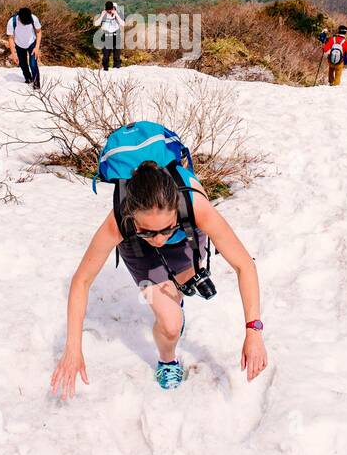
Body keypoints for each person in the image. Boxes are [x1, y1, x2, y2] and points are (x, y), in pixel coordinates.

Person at [50, 151, 266, 397]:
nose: (159, 240)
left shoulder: (196, 209)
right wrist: (73, 348)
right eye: (149, 231)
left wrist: (253, 331)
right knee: (171, 324)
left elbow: (244, 265)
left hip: (186, 235)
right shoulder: (120, 221)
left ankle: (175, 291)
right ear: (132, 216)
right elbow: (82, 280)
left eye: (165, 229)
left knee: (180, 289)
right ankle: (167, 361)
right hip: (137, 248)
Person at [6, 6, 42, 89]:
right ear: (19, 18)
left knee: (33, 64)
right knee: (23, 64)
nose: (26, 23)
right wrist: (13, 54)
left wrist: (37, 47)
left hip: (31, 43)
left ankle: (37, 85)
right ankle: (28, 79)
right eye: (25, 22)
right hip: (19, 44)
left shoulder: (33, 18)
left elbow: (39, 32)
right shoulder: (12, 22)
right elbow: (10, 38)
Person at [93, 1, 124, 70]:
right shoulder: (104, 13)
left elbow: (123, 24)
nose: (109, 11)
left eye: (110, 9)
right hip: (106, 36)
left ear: (113, 8)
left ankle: (117, 69)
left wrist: (116, 14)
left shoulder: (117, 12)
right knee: (106, 56)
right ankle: (105, 69)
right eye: (108, 10)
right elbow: (96, 24)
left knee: (116, 56)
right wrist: (101, 15)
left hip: (116, 35)